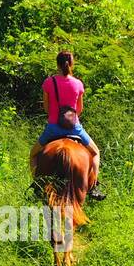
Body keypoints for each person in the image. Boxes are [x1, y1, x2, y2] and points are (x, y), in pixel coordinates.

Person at [37, 50, 105, 200]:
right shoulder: (78, 84)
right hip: (74, 127)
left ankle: (37, 186)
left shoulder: (49, 83)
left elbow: (47, 108)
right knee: (95, 152)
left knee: (34, 153)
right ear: (72, 64)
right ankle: (93, 187)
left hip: (53, 127)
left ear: (57, 64)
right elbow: (79, 109)